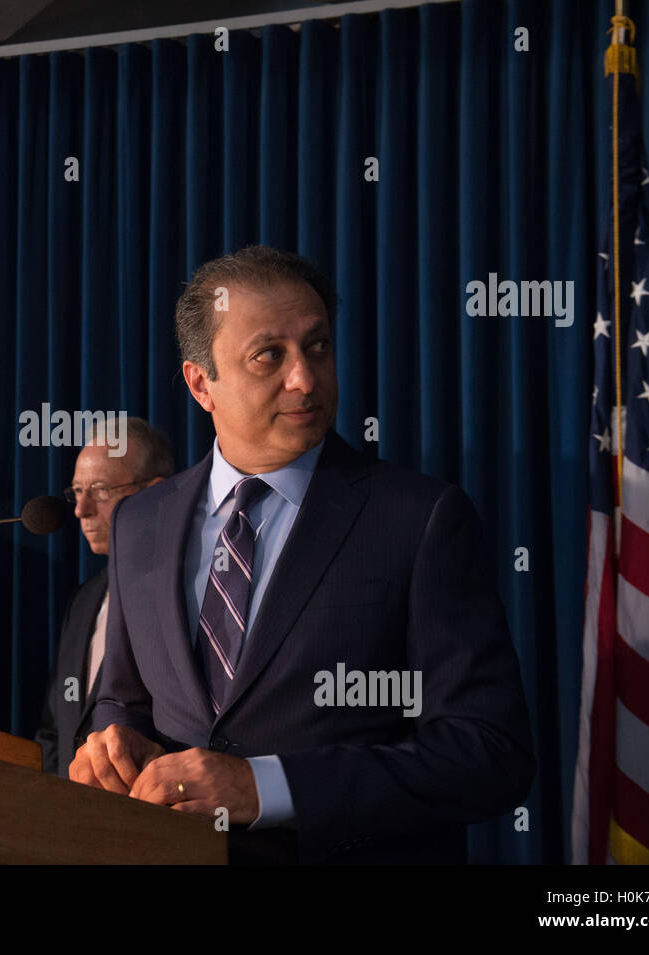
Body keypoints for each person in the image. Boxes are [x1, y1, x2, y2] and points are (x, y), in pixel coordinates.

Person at [69, 246, 535, 863]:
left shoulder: (420, 519)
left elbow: (488, 752)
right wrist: (111, 740)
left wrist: (264, 788)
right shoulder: (140, 522)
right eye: (270, 355)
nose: (305, 379)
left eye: (317, 347)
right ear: (200, 382)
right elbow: (121, 697)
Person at [35, 418, 174, 777]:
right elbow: (54, 729)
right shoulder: (85, 600)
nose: (81, 510)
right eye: (77, 491)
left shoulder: (184, 594)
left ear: (153, 494)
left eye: (99, 489)